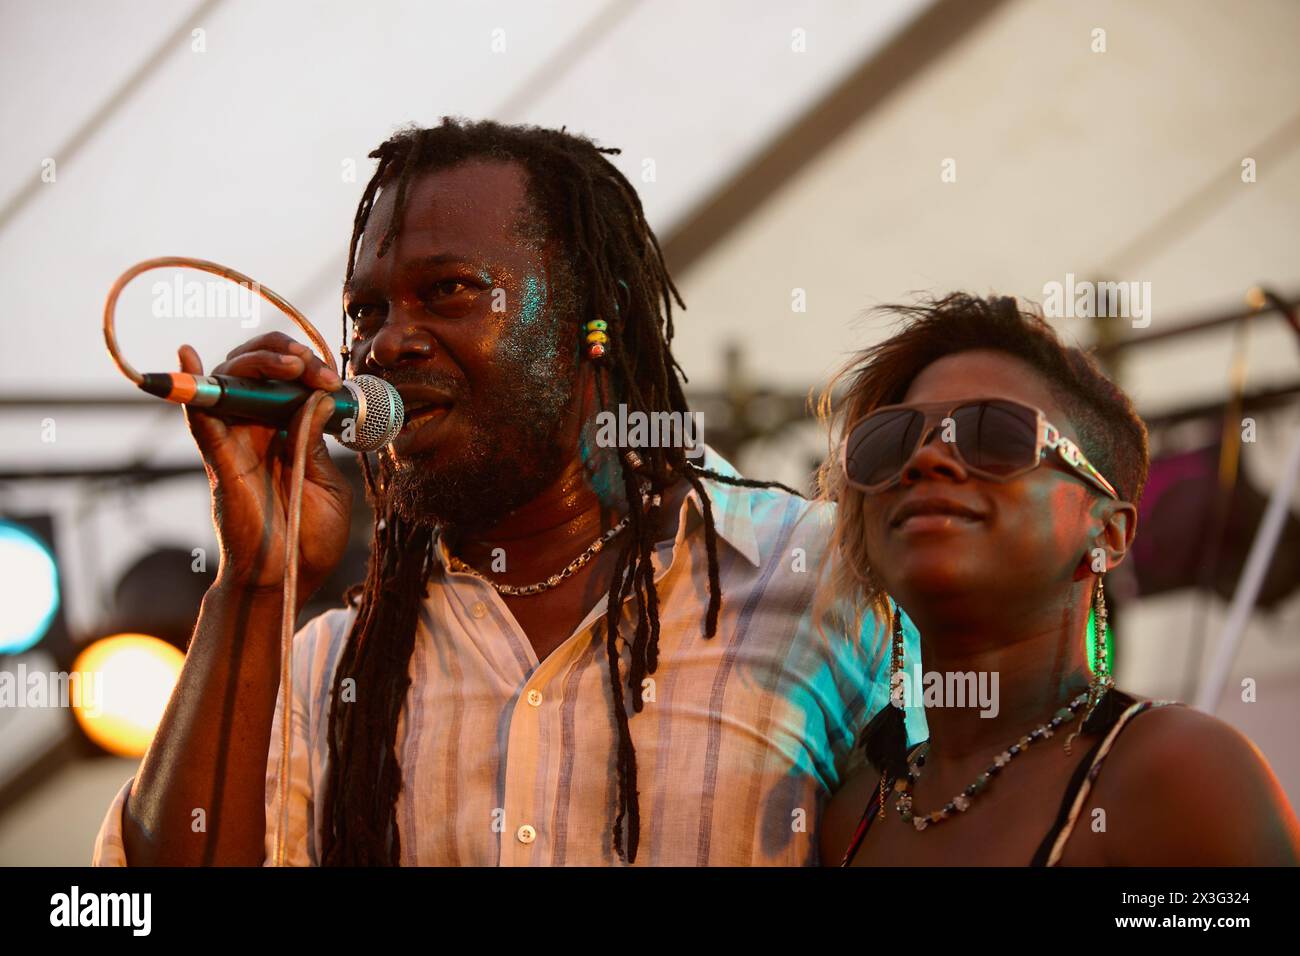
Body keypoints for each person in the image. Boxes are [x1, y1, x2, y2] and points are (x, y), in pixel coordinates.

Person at [91, 118, 903, 866]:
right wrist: (255, 583)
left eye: (447, 290)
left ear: (597, 315)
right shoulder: (328, 664)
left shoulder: (831, 577)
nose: (388, 343)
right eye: (366, 312)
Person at [817, 293, 1300, 866]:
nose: (925, 461)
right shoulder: (852, 817)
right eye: (889, 442)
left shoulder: (1178, 776)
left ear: (1108, 535)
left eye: (994, 435)